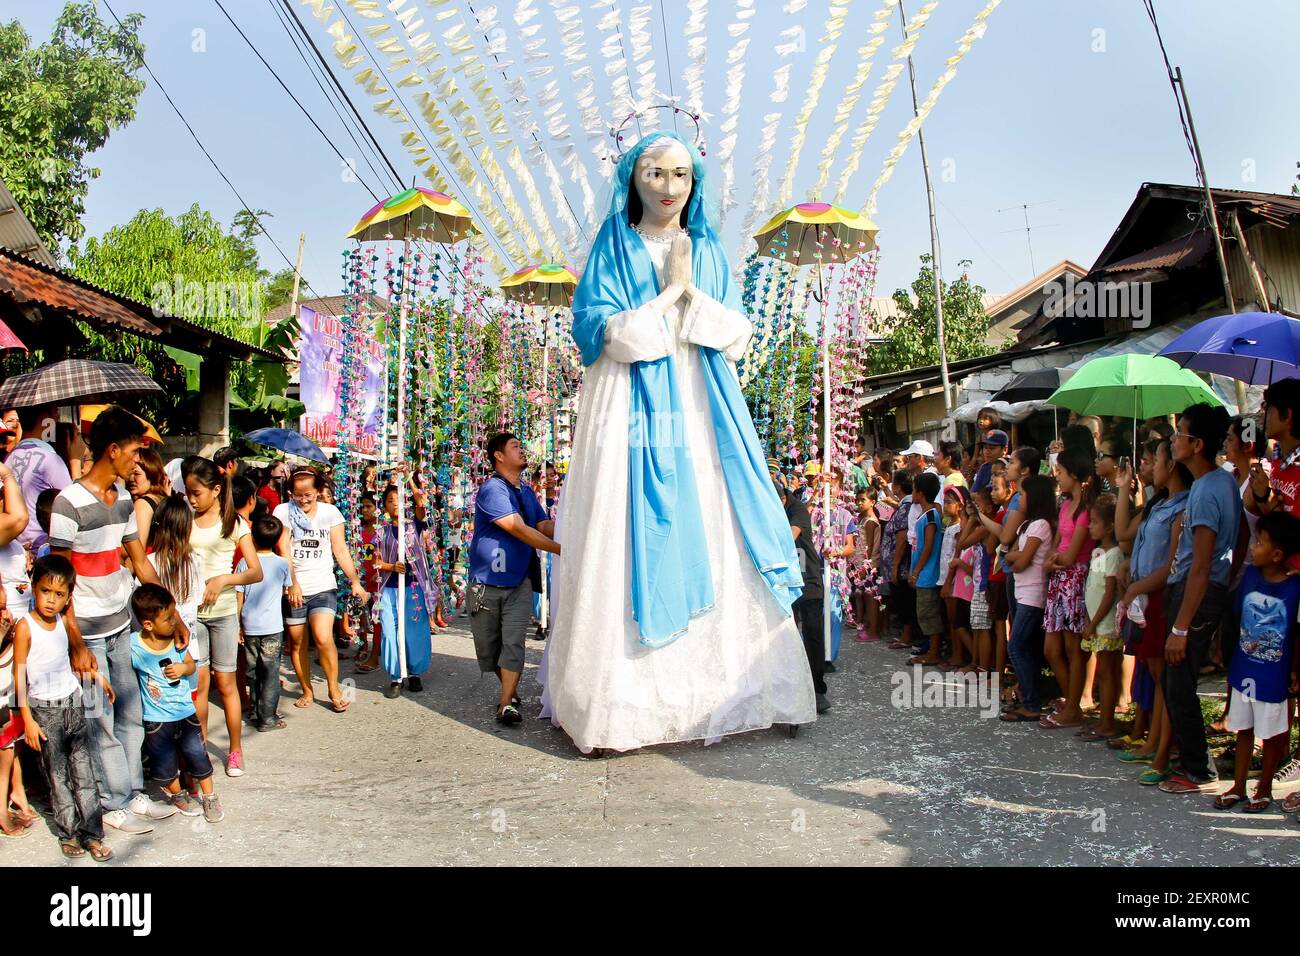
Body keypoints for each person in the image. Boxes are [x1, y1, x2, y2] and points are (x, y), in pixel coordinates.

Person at [543, 130, 813, 752]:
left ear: (696, 183)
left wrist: (690, 289)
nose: (669, 188)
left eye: (681, 175)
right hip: (630, 399)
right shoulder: (613, 245)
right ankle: (620, 707)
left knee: (722, 523)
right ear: (632, 179)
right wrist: (667, 294)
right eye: (655, 174)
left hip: (699, 401)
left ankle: (742, 693)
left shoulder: (710, 250)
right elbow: (599, 332)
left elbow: (735, 332)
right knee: (625, 524)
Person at [48, 406, 174, 834]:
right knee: (97, 717)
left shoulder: (122, 499)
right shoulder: (68, 503)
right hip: (85, 631)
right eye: (135, 453)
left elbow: (140, 562)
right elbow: (59, 580)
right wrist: (77, 644)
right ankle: (111, 801)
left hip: (121, 624)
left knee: (132, 712)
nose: (137, 461)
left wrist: (167, 614)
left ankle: (132, 793)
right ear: (114, 450)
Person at [1157, 403, 1239, 795]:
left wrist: (1180, 626)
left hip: (1198, 594)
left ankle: (1199, 770)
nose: (1174, 441)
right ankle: (1189, 761)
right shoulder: (1215, 483)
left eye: (1180, 435)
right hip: (1197, 590)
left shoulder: (1209, 490)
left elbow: (1203, 565)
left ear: (1198, 444)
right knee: (1175, 679)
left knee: (1179, 680)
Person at [13, 555, 117, 860]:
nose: (50, 600)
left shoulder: (61, 622)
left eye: (59, 595)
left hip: (72, 702)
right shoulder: (25, 627)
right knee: (58, 776)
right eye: (46, 591)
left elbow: (65, 664)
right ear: (34, 587)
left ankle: (93, 834)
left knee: (85, 771)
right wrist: (28, 720)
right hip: (44, 710)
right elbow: (20, 676)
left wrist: (96, 677)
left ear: (68, 597)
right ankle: (68, 833)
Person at [469, 434, 559, 725]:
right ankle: (508, 687)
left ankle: (506, 702)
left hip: (519, 580)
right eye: (515, 446)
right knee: (489, 649)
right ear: (498, 455)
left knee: (513, 643)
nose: (522, 450)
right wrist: (562, 550)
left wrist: (576, 525)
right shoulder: (493, 490)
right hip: (485, 583)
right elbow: (517, 528)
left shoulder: (527, 492)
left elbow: (542, 524)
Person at [1214, 511, 1300, 813]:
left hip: (1274, 674)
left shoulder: (1295, 587)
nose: (1253, 547)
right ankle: (1238, 785)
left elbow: (1297, 633)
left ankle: (1264, 787)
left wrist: (1294, 670)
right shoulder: (1250, 575)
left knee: (1273, 733)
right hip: (1244, 668)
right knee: (1244, 729)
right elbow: (1237, 616)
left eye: (1259, 542)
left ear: (1277, 554)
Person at [1115, 440, 1189, 779]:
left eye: (1155, 459)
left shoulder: (1183, 507)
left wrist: (1138, 587)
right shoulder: (1160, 503)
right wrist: (1124, 488)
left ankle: (1164, 747)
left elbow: (1173, 563)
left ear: (1172, 465)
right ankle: (1153, 743)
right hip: (1145, 593)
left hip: (1159, 594)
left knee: (1165, 677)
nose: (1152, 465)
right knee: (1156, 674)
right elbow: (1124, 534)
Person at [185, 457, 263, 776]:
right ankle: (199, 748)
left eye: (197, 492)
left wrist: (223, 579)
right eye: (188, 492)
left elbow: (255, 571)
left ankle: (234, 750)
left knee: (227, 683)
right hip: (192, 614)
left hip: (224, 614)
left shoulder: (235, 524)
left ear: (216, 490)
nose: (191, 498)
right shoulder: (185, 520)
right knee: (200, 685)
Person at [274, 468, 368, 713]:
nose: (303, 500)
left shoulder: (330, 513)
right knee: (296, 642)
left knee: (324, 637)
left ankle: (334, 689)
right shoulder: (283, 512)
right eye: (297, 495)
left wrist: (355, 581)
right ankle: (306, 689)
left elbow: (340, 549)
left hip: (324, 586)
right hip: (294, 588)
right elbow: (283, 549)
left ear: (317, 491)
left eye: (308, 495)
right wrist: (292, 583)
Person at [128, 583, 223, 823]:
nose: (174, 622)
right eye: (169, 618)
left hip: (185, 713)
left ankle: (209, 796)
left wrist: (184, 668)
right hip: (156, 719)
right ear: (148, 624)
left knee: (198, 755)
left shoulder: (176, 641)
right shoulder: (134, 645)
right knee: (164, 763)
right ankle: (178, 795)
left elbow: (191, 665)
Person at [1037, 447, 1094, 730]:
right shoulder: (1065, 505)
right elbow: (1057, 547)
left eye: (1060, 471)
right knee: (1051, 648)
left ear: (1074, 474)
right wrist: (1051, 563)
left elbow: (1070, 556)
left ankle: (1074, 706)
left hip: (1076, 582)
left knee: (1074, 649)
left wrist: (1053, 562)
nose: (1056, 476)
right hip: (1059, 581)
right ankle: (1070, 699)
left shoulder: (1085, 511)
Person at [1000, 474, 1055, 723]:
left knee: (1016, 645)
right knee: (1024, 647)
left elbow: (1019, 561)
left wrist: (1014, 556)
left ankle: (1032, 703)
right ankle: (1028, 697)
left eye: (1022, 494)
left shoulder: (1040, 525)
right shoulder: (1026, 525)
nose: (1018, 498)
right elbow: (1010, 553)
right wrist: (1014, 556)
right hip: (1022, 592)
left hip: (1033, 593)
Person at [375, 479, 435, 699]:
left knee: (414, 631)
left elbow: (421, 501)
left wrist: (408, 478)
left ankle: (415, 673)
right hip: (389, 589)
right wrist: (392, 566)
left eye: (398, 499)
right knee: (390, 632)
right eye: (390, 500)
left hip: (412, 587)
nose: (395, 504)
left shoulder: (413, 525)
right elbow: (376, 562)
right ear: (385, 506)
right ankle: (395, 677)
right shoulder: (380, 532)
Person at [235, 515, 292, 732]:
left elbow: (238, 596)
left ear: (253, 538)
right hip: (272, 628)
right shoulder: (281, 564)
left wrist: (238, 624)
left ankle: (257, 710)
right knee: (270, 672)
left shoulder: (244, 563)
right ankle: (267, 718)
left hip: (250, 627)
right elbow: (287, 590)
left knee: (253, 671)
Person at [781, 481, 831, 714]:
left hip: (807, 578)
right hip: (785, 579)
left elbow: (791, 535)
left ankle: (817, 688)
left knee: (812, 632)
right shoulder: (775, 505)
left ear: (783, 499)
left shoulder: (796, 508)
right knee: (784, 633)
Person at [1080, 495, 1123, 740]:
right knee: (1102, 673)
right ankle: (1102, 720)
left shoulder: (1115, 554)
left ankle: (1107, 723)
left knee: (1107, 673)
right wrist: (1087, 618)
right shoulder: (1097, 551)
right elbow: (1091, 588)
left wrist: (1094, 622)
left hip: (1105, 623)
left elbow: (1109, 594)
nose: (1089, 526)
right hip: (1094, 621)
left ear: (1109, 526)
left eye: (1094, 522)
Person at [6, 405, 71, 552]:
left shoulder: (8, 459)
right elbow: (73, 509)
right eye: (55, 412)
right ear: (44, 419)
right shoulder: (50, 460)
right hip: (44, 552)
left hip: (15, 550)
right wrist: (75, 459)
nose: (58, 417)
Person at [906, 472, 944, 667]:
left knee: (930, 614)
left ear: (920, 493)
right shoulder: (925, 514)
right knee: (924, 613)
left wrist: (916, 571)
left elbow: (928, 546)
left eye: (913, 489)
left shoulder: (931, 516)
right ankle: (930, 650)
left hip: (928, 573)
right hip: (922, 572)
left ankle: (934, 652)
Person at [127, 445, 169, 550]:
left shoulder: (142, 504)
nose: (131, 478)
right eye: (130, 473)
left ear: (151, 474)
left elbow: (137, 550)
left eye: (136, 474)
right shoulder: (161, 498)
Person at [971, 429, 1007, 494]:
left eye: (992, 448)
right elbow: (973, 493)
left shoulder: (1008, 467)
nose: (987, 452)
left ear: (1005, 449)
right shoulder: (984, 467)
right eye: (985, 448)